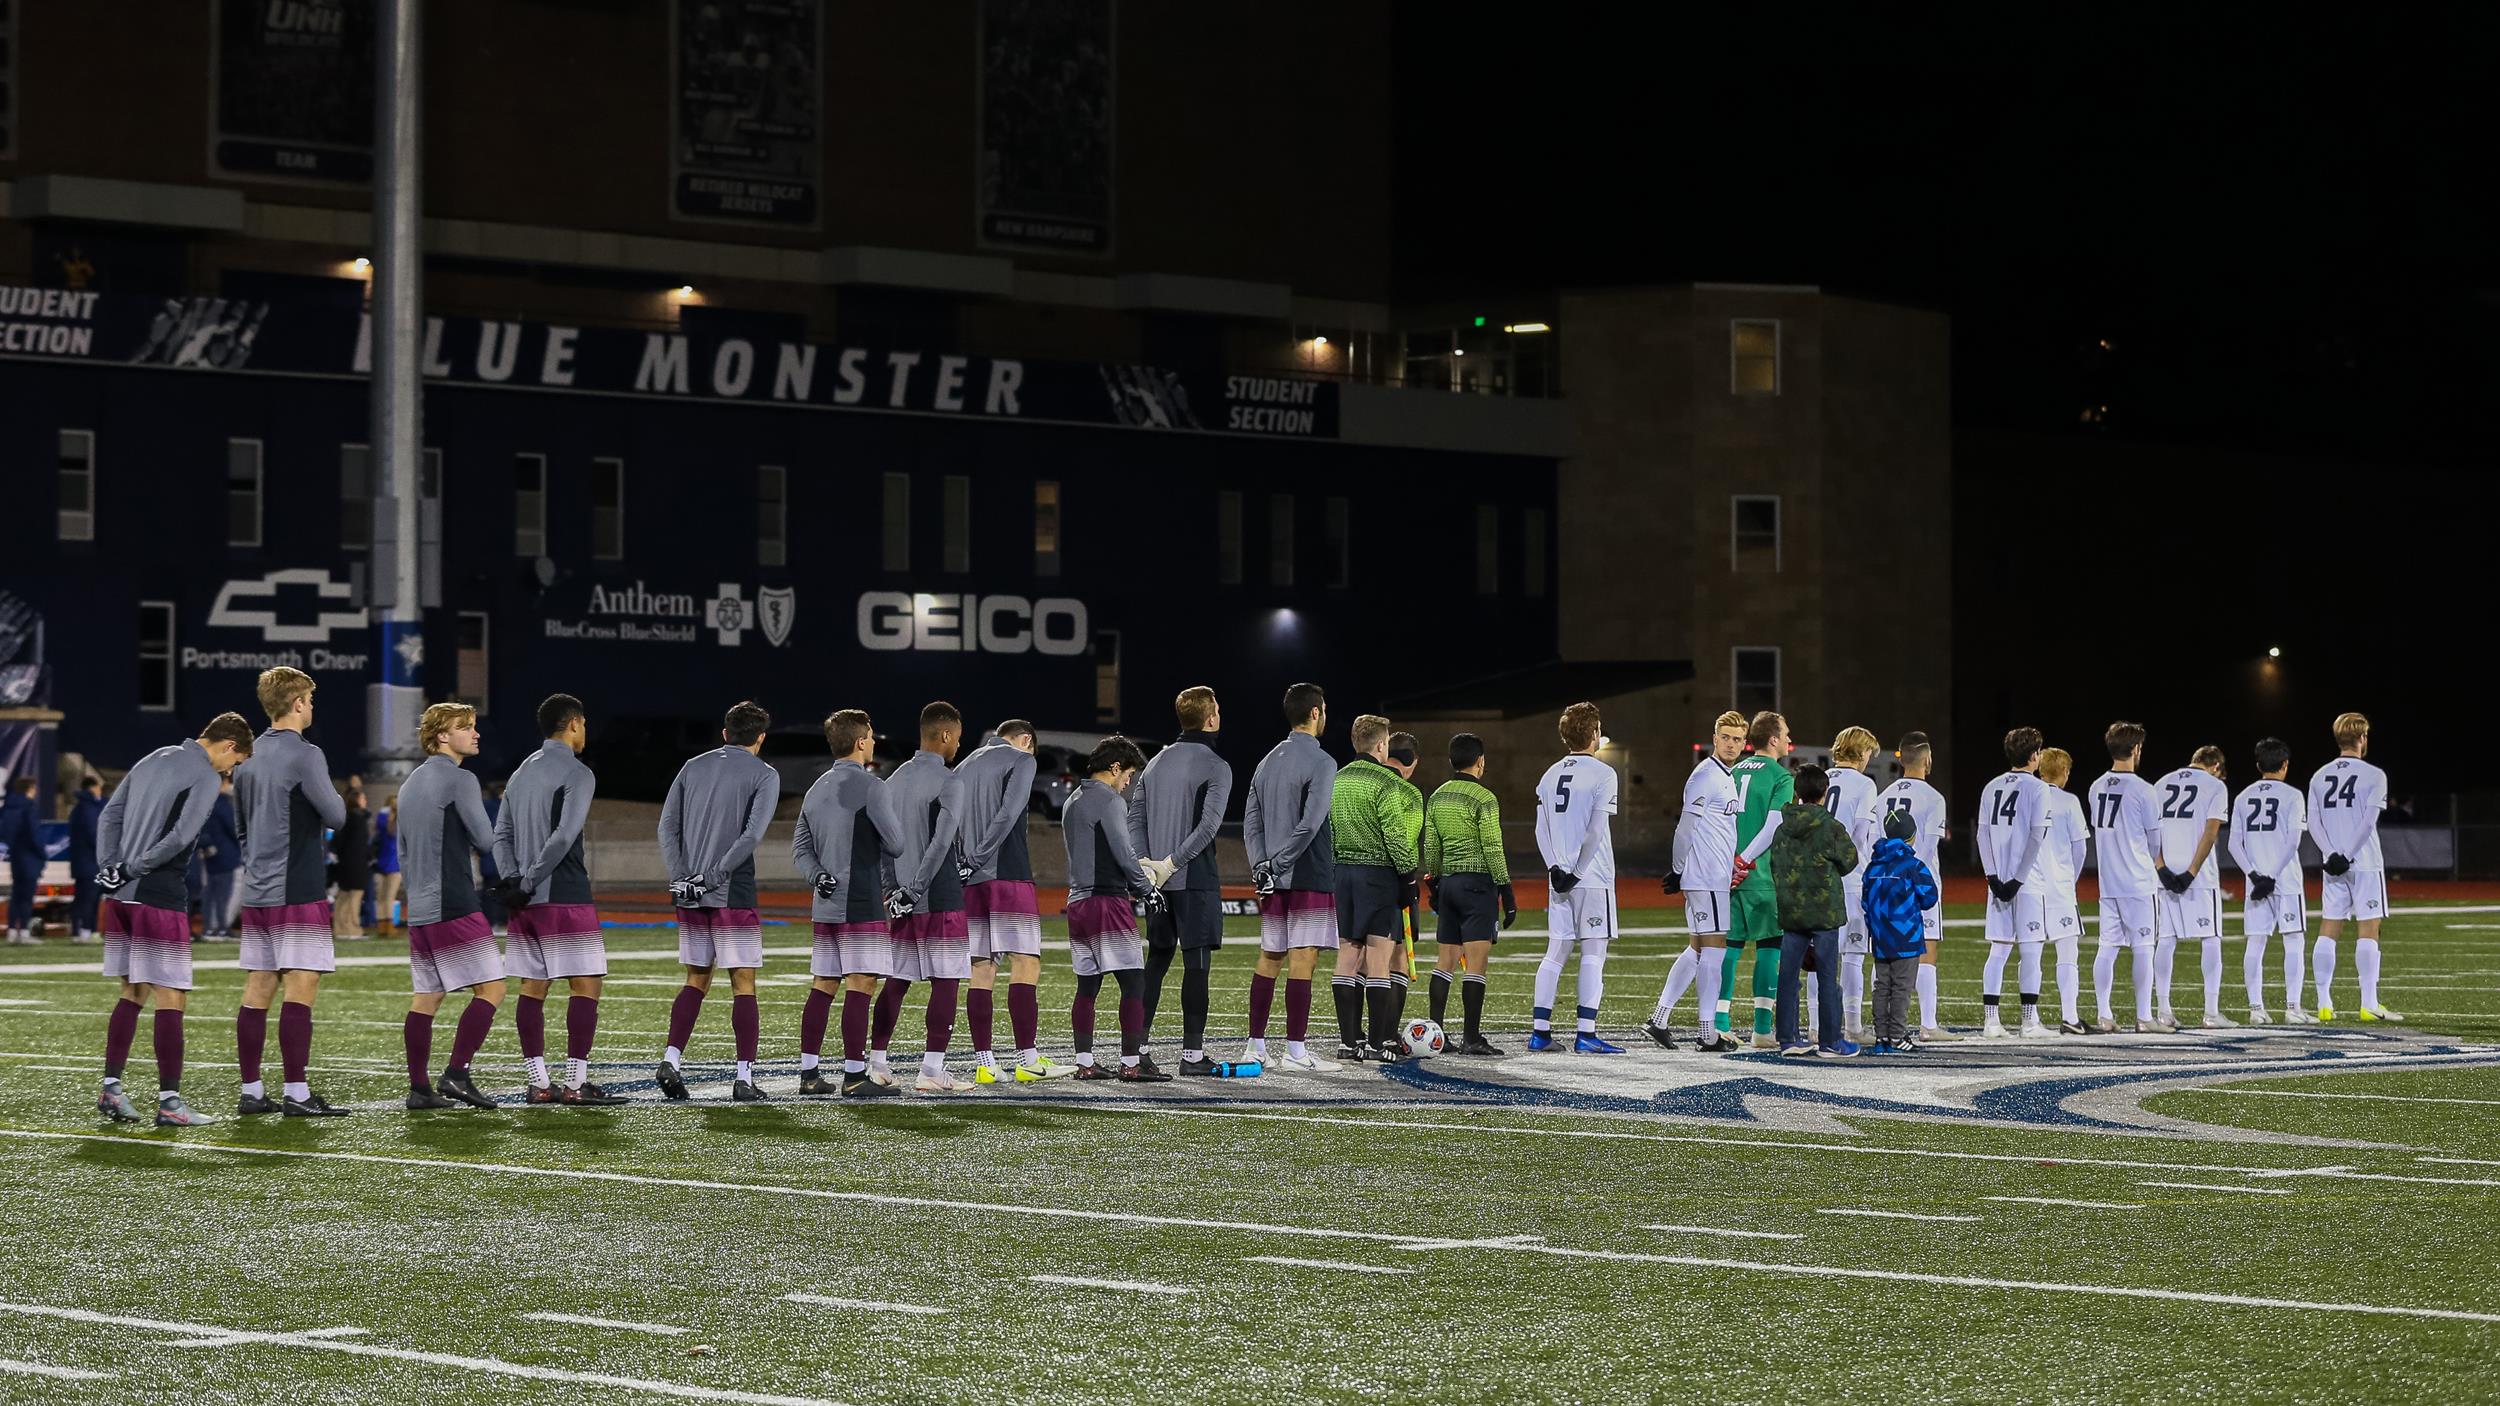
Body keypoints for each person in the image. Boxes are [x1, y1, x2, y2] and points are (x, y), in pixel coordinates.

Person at [90, 712, 256, 1126]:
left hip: (121, 895)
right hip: (157, 892)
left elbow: (109, 815)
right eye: (234, 764)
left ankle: (111, 1089)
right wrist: (135, 868)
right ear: (228, 745)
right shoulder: (204, 776)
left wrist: (112, 866)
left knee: (132, 991)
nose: (230, 772)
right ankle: (170, 1102)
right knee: (172, 995)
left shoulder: (152, 757)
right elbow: (180, 837)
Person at [231, 666, 351, 1118]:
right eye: (311, 701)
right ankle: (297, 1093)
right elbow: (337, 815)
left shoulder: (247, 755)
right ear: (298, 703)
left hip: (258, 888)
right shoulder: (306, 754)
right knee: (301, 985)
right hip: (297, 886)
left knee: (258, 987)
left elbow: (241, 829)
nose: (312, 708)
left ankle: (252, 1090)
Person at [492, 693, 624, 1106]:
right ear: (574, 724)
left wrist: (513, 880)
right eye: (583, 725)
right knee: (585, 985)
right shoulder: (578, 772)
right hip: (563, 892)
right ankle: (574, 1083)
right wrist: (530, 881)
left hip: (525, 901)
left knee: (533, 988)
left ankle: (538, 1082)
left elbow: (501, 836)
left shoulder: (520, 772)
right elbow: (564, 836)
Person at [655, 700, 782, 1102]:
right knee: (743, 984)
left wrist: (682, 877)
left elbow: (667, 827)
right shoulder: (764, 774)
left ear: (725, 733)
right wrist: (711, 877)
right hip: (732, 890)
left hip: (690, 892)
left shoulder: (692, 766)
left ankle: (671, 1060)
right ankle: (744, 1078)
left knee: (696, 979)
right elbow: (750, 837)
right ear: (760, 738)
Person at [791, 709, 909, 1099]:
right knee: (861, 984)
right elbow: (896, 844)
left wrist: (818, 875)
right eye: (871, 736)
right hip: (859, 898)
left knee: (823, 985)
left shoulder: (815, 788)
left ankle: (809, 1074)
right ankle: (856, 1076)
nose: (873, 742)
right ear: (861, 742)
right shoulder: (872, 786)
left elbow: (801, 848)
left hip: (824, 901)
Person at [397, 703, 506, 1111]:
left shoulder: (409, 784)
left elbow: (403, 850)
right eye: (466, 727)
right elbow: (485, 839)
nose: (475, 734)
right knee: (492, 987)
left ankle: (419, 1088)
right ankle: (457, 1073)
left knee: (427, 997)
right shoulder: (460, 779)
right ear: (442, 736)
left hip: (421, 906)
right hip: (453, 899)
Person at [1127, 685, 1235, 1075]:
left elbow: (1134, 817)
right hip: (1192, 875)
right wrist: (1171, 863)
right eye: (1218, 710)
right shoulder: (1217, 766)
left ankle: (1136, 1050)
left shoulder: (1154, 763)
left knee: (1155, 961)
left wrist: (1145, 864)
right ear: (1210, 719)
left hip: (1156, 879)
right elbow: (1208, 828)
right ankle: (1192, 1056)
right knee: (1197, 964)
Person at [1240, 681, 1341, 1073]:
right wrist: (1280, 864)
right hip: (1305, 871)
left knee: (1269, 956)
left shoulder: (1266, 761)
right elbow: (1311, 823)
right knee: (1303, 959)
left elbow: (1251, 822)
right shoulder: (1323, 761)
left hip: (1271, 875)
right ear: (1316, 712)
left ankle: (1256, 1046)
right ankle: (1296, 1051)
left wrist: (1262, 866)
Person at [1060, 736, 1172, 1081]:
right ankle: (1130, 1064)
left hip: (1078, 902)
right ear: (1114, 767)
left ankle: (1085, 1063)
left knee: (1087, 987)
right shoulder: (1109, 800)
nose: (1128, 783)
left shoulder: (1071, 800)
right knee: (1134, 985)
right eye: (1128, 775)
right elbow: (1123, 852)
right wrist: (1146, 888)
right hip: (1107, 901)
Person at [955, 719, 1060, 1084]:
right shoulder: (1021, 759)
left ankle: (985, 1063)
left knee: (981, 968)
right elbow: (1008, 814)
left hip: (970, 881)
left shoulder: (964, 764)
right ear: (1026, 740)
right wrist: (980, 856)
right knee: (1026, 961)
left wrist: (965, 862)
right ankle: (1027, 1058)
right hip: (1007, 874)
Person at [875, 701, 973, 1093]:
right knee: (946, 982)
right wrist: (916, 890)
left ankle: (877, 1063)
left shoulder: (892, 780)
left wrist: (893, 889)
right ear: (946, 735)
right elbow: (941, 843)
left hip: (900, 897)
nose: (958, 745)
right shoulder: (950, 781)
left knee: (896, 981)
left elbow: (883, 842)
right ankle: (932, 1070)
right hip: (937, 894)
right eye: (958, 738)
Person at [1530, 701, 1624, 1053]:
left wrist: (1555, 867)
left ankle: (1540, 1032)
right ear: (1595, 733)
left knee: (1555, 952)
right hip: (1591, 876)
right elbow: (1595, 830)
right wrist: (1578, 872)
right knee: (1593, 953)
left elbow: (1540, 829)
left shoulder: (1550, 774)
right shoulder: (1604, 773)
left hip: (1557, 878)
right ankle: (1586, 1033)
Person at [1329, 713, 1424, 1061]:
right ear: (1382, 745)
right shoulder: (1388, 783)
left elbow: (1330, 830)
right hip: (1378, 876)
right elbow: (1396, 837)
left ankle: (1348, 1041)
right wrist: (1408, 878)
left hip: (1344, 874)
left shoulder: (1337, 779)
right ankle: (1378, 1042)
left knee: (1348, 956)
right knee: (1380, 960)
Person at [1648, 711, 1745, 1051]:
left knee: (1698, 948)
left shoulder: (1725, 775)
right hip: (1706, 876)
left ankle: (1659, 1019)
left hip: (1712, 874)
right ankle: (1708, 1033)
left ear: (1743, 743)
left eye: (1737, 739)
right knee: (1715, 952)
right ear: (1715, 739)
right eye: (1726, 738)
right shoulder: (1706, 775)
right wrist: (1678, 870)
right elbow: (1685, 827)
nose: (1731, 744)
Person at [1423, 732, 1515, 1056]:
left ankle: (1436, 1036)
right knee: (1476, 963)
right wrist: (1506, 889)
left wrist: (1434, 883)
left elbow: (1431, 846)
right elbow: (1492, 846)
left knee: (1444, 961)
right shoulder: (1484, 798)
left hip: (1448, 884)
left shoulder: (1436, 797)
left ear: (1451, 761)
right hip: (1477, 886)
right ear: (1480, 761)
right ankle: (1471, 1038)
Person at [2309, 712, 2396, 1021]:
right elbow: (2368, 822)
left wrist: (2332, 853)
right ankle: (2368, 1004)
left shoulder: (2318, 776)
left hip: (2331, 865)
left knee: (2329, 928)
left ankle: (2323, 1003)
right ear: (2362, 738)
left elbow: (2314, 824)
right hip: (2364, 861)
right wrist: (2347, 853)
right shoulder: (2375, 774)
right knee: (2369, 928)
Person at [1771, 764, 1860, 1057]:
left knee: (1787, 976)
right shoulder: (1830, 826)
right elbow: (1849, 862)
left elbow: (1775, 865)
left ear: (1797, 792)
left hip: (1792, 910)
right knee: (1826, 977)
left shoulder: (1783, 828)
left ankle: (1787, 1038)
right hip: (1825, 911)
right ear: (1825, 793)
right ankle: (1830, 1041)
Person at [2087, 722, 2166, 1033]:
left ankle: (2104, 1014)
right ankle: (2144, 1017)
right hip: (2137, 880)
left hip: (2109, 882)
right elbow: (2154, 841)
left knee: (2107, 947)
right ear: (2135, 749)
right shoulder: (2144, 789)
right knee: (2144, 946)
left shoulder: (2095, 787)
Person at [1976, 727, 2054, 1039]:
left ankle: (1991, 1021)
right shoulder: (2038, 789)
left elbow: (1983, 834)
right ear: (2034, 755)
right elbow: (2037, 836)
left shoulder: (1991, 786)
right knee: (2031, 950)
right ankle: (2029, 1021)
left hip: (1998, 881)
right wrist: (2018, 880)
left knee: (1999, 949)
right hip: (2028, 882)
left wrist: (1993, 877)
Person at [1879, 732, 1957, 1042]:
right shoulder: (1934, 797)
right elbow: (1928, 846)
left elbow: (1876, 840)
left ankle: (1880, 1025)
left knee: (1884, 953)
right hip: (1919, 884)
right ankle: (1928, 1025)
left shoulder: (1882, 794)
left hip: (1886, 884)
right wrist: (1913, 880)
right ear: (1927, 760)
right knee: (1927, 951)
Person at [2229, 737, 2310, 1025]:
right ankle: (2293, 1008)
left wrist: (2255, 876)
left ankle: (2256, 1010)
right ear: (2285, 764)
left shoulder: (2242, 797)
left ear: (2258, 764)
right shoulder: (2293, 795)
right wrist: (2272, 877)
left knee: (2256, 942)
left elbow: (2233, 846)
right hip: (2285, 880)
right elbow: (2292, 842)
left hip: (2256, 884)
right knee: (2294, 940)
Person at [1727, 711, 1796, 1050]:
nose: (1788, 739)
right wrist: (1746, 859)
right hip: (1760, 872)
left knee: (1727, 948)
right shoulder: (1782, 777)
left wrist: (1729, 862)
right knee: (1770, 946)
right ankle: (1761, 1029)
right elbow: (1772, 827)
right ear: (1772, 739)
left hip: (1725, 874)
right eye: (1785, 734)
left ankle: (1720, 1024)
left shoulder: (1731, 769)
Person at [2153, 746, 2231, 1027]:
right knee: (2210, 939)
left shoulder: (2161, 783)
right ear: (2216, 766)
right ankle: (2211, 1012)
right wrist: (2192, 871)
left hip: (2165, 872)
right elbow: (2211, 833)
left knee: (2165, 940)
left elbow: (2150, 832)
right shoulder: (2215, 786)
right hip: (2199, 876)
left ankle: (2163, 1011)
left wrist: (2161, 868)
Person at [1861, 809, 1941, 1053]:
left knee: (1881, 986)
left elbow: (1865, 901)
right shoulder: (1913, 865)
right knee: (1902, 987)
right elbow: (1930, 897)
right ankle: (1897, 1035)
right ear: (1912, 836)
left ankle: (1881, 1037)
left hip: (1881, 937)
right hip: (1906, 937)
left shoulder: (1873, 866)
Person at [1824, 726, 1886, 1044]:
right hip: (1849, 878)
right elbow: (1861, 834)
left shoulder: (1822, 777)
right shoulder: (1864, 784)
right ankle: (1852, 1026)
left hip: (1818, 877)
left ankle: (1815, 1026)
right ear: (1861, 752)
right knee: (1853, 953)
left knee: (1821, 955)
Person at [2035, 747, 2092, 1033]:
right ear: (2066, 772)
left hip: (2029, 886)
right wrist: (2071, 878)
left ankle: (2028, 1018)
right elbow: (2080, 848)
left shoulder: (2028, 795)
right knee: (2067, 952)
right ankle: (2070, 1017)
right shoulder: (2069, 801)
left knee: (2028, 953)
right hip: (2059, 887)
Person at [197, 778, 243, 939]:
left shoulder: (205, 803)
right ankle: (222, 928)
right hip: (226, 856)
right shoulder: (221, 803)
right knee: (224, 894)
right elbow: (234, 828)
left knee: (210, 894)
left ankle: (210, 928)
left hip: (209, 854)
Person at [2, 776, 42, 943]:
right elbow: (33, 834)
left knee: (16, 895)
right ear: (30, 789)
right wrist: (42, 853)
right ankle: (24, 932)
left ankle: (11, 931)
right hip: (30, 857)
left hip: (16, 856)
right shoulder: (29, 807)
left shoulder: (9, 807)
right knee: (26, 897)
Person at [331, 788, 373, 939]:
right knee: (355, 897)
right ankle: (353, 930)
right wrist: (369, 857)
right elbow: (363, 844)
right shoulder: (359, 819)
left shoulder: (345, 817)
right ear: (357, 800)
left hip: (344, 863)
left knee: (342, 897)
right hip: (357, 864)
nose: (365, 801)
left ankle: (340, 929)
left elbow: (337, 841)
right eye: (363, 798)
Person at [69, 775, 104, 944]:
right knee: (89, 898)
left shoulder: (79, 808)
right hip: (90, 861)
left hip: (81, 860)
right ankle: (86, 931)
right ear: (92, 788)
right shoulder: (88, 808)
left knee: (81, 897)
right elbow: (94, 835)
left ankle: (79, 930)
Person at [372, 794, 402, 929]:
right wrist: (390, 817)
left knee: (390, 896)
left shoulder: (401, 820)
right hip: (382, 861)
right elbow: (385, 831)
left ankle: (389, 923)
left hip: (395, 863)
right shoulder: (382, 818)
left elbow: (393, 832)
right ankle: (381, 923)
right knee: (380, 896)